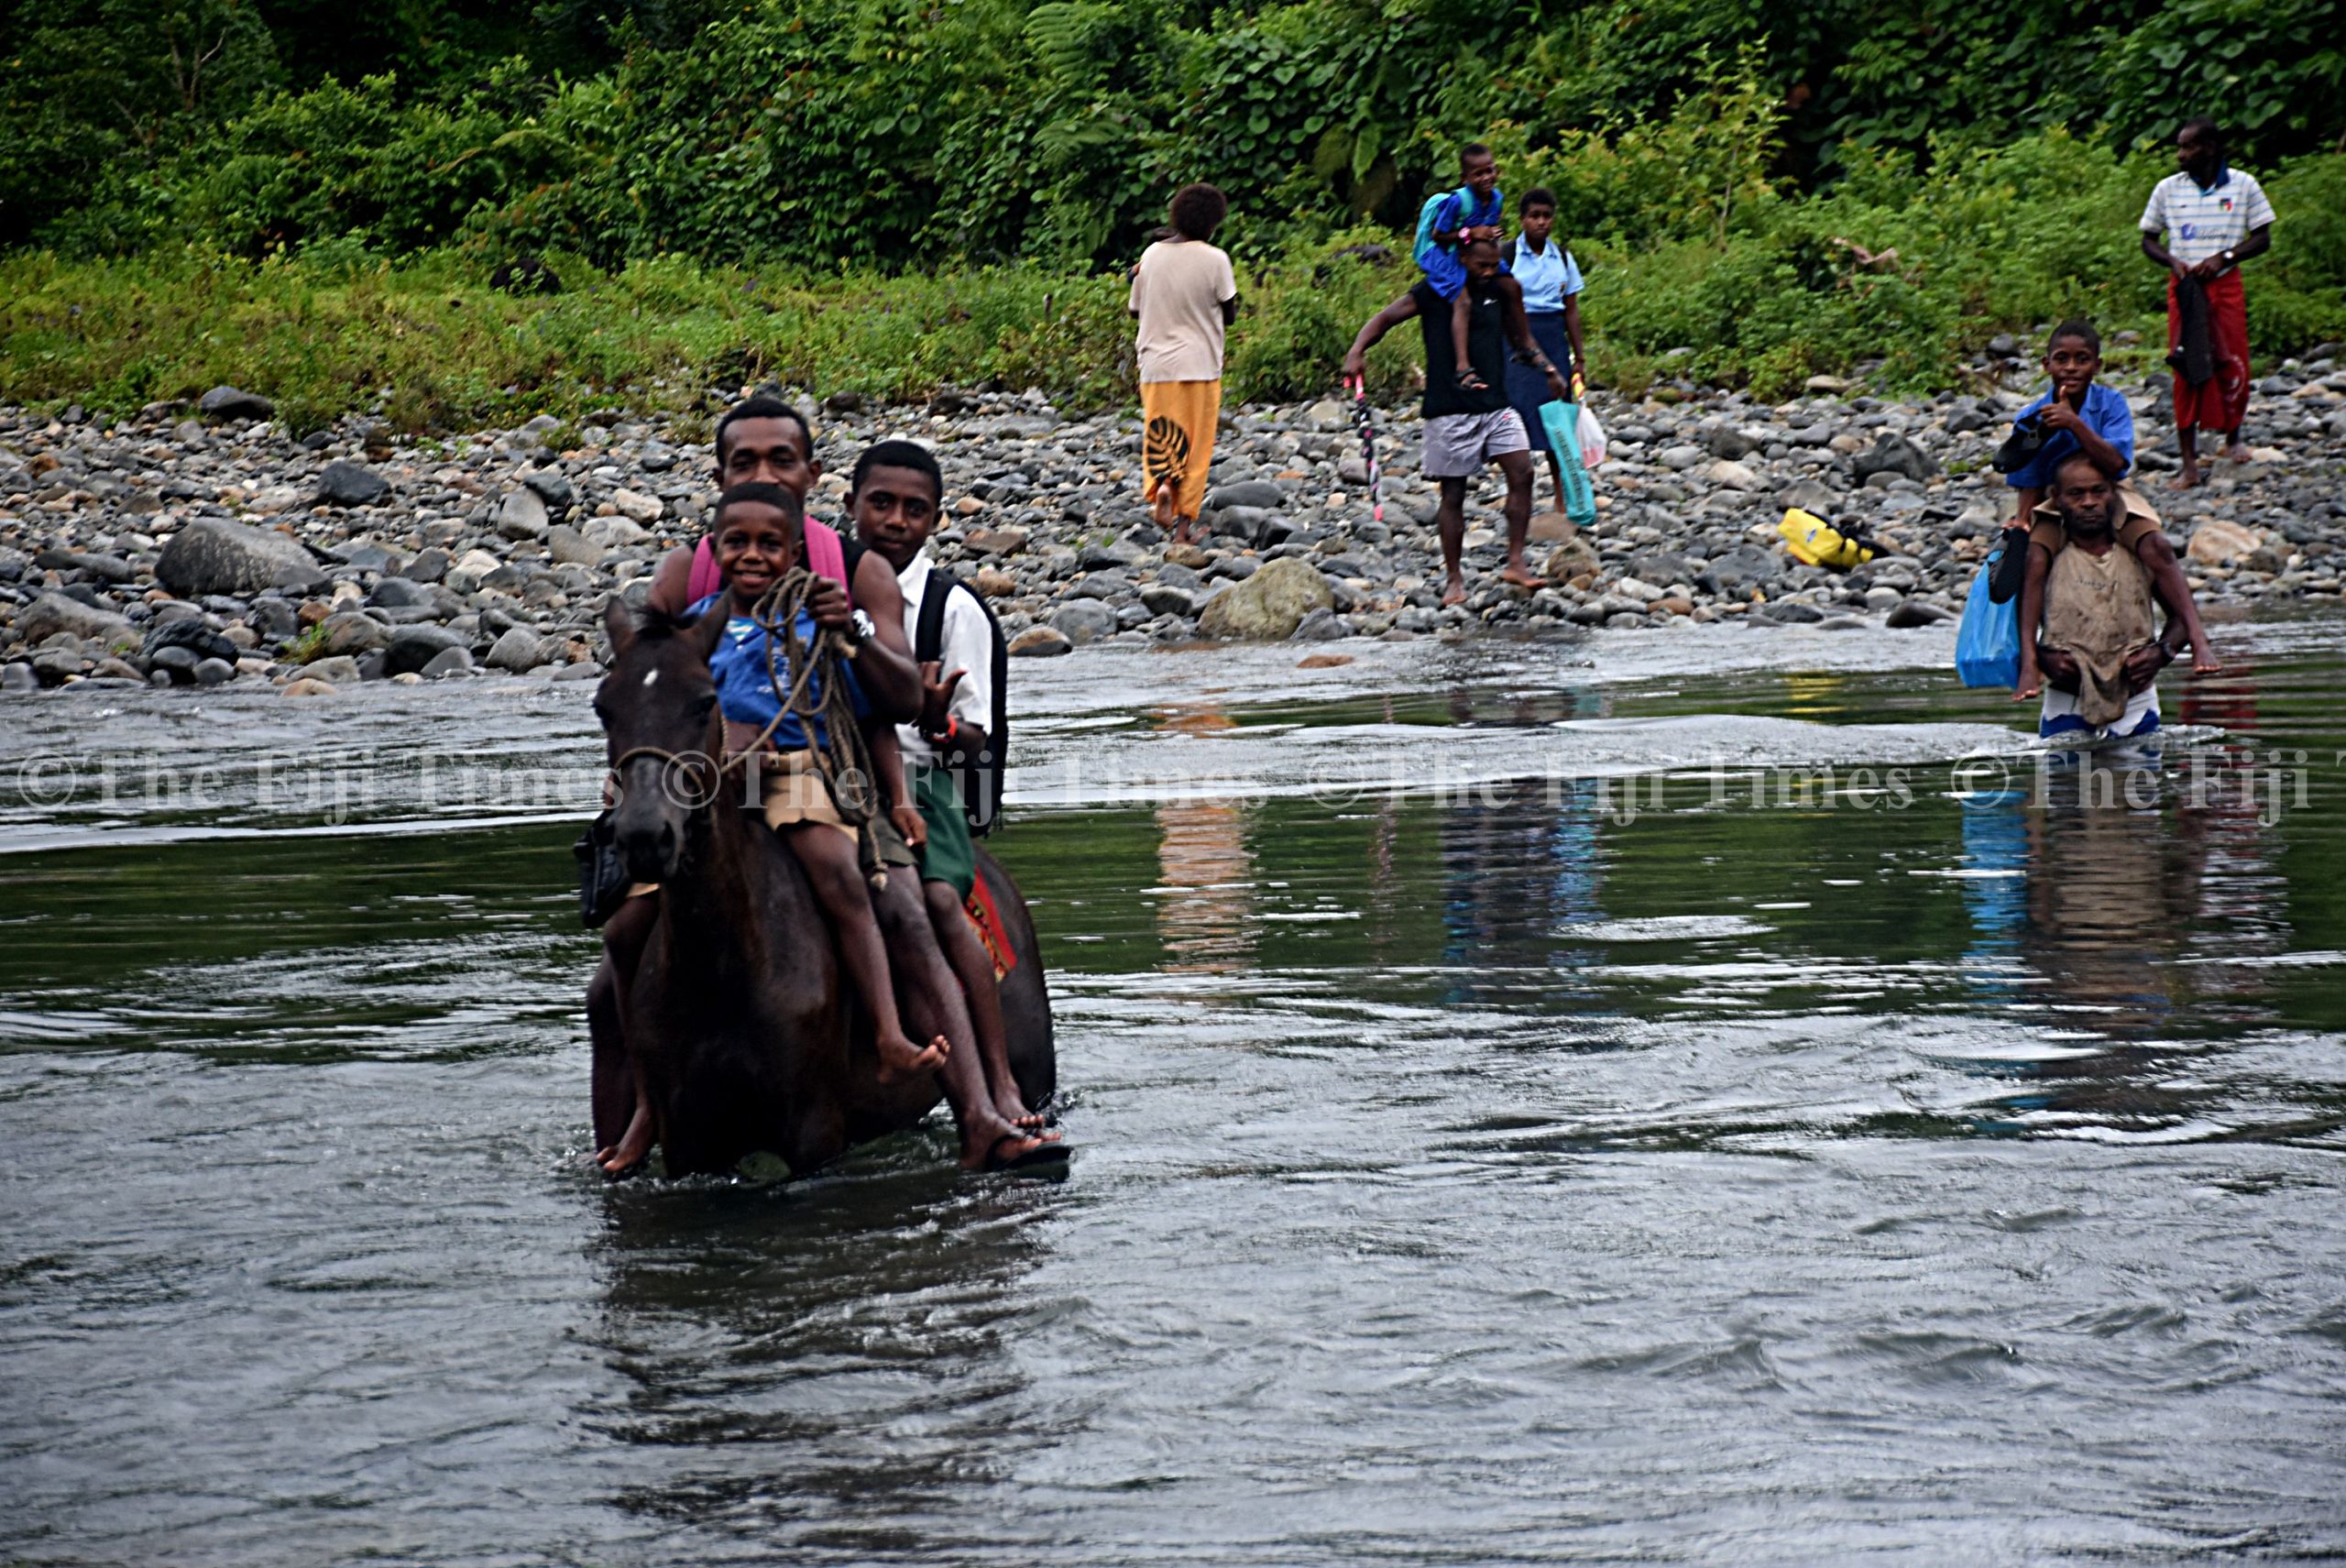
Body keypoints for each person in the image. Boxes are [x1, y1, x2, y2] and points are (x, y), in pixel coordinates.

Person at [595, 483, 950, 1172]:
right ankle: (648, 1100)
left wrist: (898, 791)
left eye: (768, 545)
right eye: (736, 543)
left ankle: (885, 1030)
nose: (752, 556)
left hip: (794, 773)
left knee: (841, 873)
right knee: (621, 931)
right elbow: (664, 709)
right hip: (711, 787)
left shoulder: (817, 622)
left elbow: (875, 715)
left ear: (795, 552)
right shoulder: (700, 626)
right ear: (715, 552)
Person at [849, 439, 1055, 1154]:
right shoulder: (820, 584)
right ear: (850, 507)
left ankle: (994, 1076)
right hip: (822, 772)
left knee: (936, 902)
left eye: (914, 509)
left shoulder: (951, 607)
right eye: (881, 504)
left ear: (935, 520)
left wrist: (932, 713)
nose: (895, 521)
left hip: (920, 776)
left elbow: (978, 735)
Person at [1343, 235, 1571, 607]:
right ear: (1461, 257)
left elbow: (1521, 339)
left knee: (1523, 472)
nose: (1487, 271)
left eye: (1493, 264)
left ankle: (1516, 561)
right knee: (1453, 494)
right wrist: (1357, 351)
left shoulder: (1500, 288)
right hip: (1449, 407)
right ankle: (1453, 579)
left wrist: (1549, 370)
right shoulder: (1435, 291)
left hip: (1495, 403)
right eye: (1480, 264)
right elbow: (1385, 318)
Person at [1996, 321, 2217, 684]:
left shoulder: (2110, 404)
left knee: (2156, 545)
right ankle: (2029, 661)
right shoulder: (2032, 415)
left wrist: (2074, 424)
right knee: (2034, 559)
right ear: (2046, 365)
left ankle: (2198, 639)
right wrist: (2023, 519)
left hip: (2110, 490)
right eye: (2061, 359)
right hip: (2059, 496)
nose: (2071, 368)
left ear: (2097, 365)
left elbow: (2117, 463)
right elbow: (2028, 474)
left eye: (2081, 360)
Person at [2013, 455, 2190, 743]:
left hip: (2136, 701)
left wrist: (2161, 654)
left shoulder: (2142, 551)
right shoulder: (2045, 556)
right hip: (2066, 701)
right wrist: (2042, 659)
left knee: (2136, 786)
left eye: (2098, 491)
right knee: (2065, 784)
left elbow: (2183, 618)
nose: (2088, 502)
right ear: (2057, 498)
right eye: (2076, 494)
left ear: (2113, 494)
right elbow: (2015, 625)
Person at [2140, 116, 2275, 488]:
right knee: (2186, 364)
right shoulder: (2168, 189)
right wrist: (2172, 261)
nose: (2181, 155)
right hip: (2185, 288)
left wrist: (2225, 257)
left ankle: (2233, 436)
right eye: (2180, 147)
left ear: (2211, 148)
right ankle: (2189, 464)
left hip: (2224, 284)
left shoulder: (2244, 185)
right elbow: (2148, 239)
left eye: (2189, 147)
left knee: (2231, 360)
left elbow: (2262, 237)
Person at [1130, 184, 1238, 543]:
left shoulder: (1150, 256)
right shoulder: (1215, 258)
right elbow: (1230, 312)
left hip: (1155, 364)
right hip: (1200, 364)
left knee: (1162, 433)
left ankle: (1161, 485)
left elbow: (1135, 309)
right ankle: (1182, 528)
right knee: (1196, 445)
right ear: (1211, 223)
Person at [1496, 186, 1586, 512]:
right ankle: (1518, 499)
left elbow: (1571, 310)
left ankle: (1562, 502)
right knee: (1516, 422)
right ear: (1522, 219)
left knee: (1558, 423)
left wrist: (1579, 358)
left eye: (1547, 216)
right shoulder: (1505, 256)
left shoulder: (1562, 257)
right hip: (1517, 344)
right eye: (1534, 216)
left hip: (1553, 340)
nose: (1541, 222)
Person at [1419, 144, 1506, 301]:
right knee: (1462, 300)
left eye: (1489, 171)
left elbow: (1490, 227)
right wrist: (1470, 233)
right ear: (1464, 178)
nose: (1486, 177)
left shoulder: (1497, 199)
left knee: (1511, 285)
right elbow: (1437, 236)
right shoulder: (1458, 202)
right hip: (1451, 255)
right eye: (1478, 174)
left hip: (1481, 258)